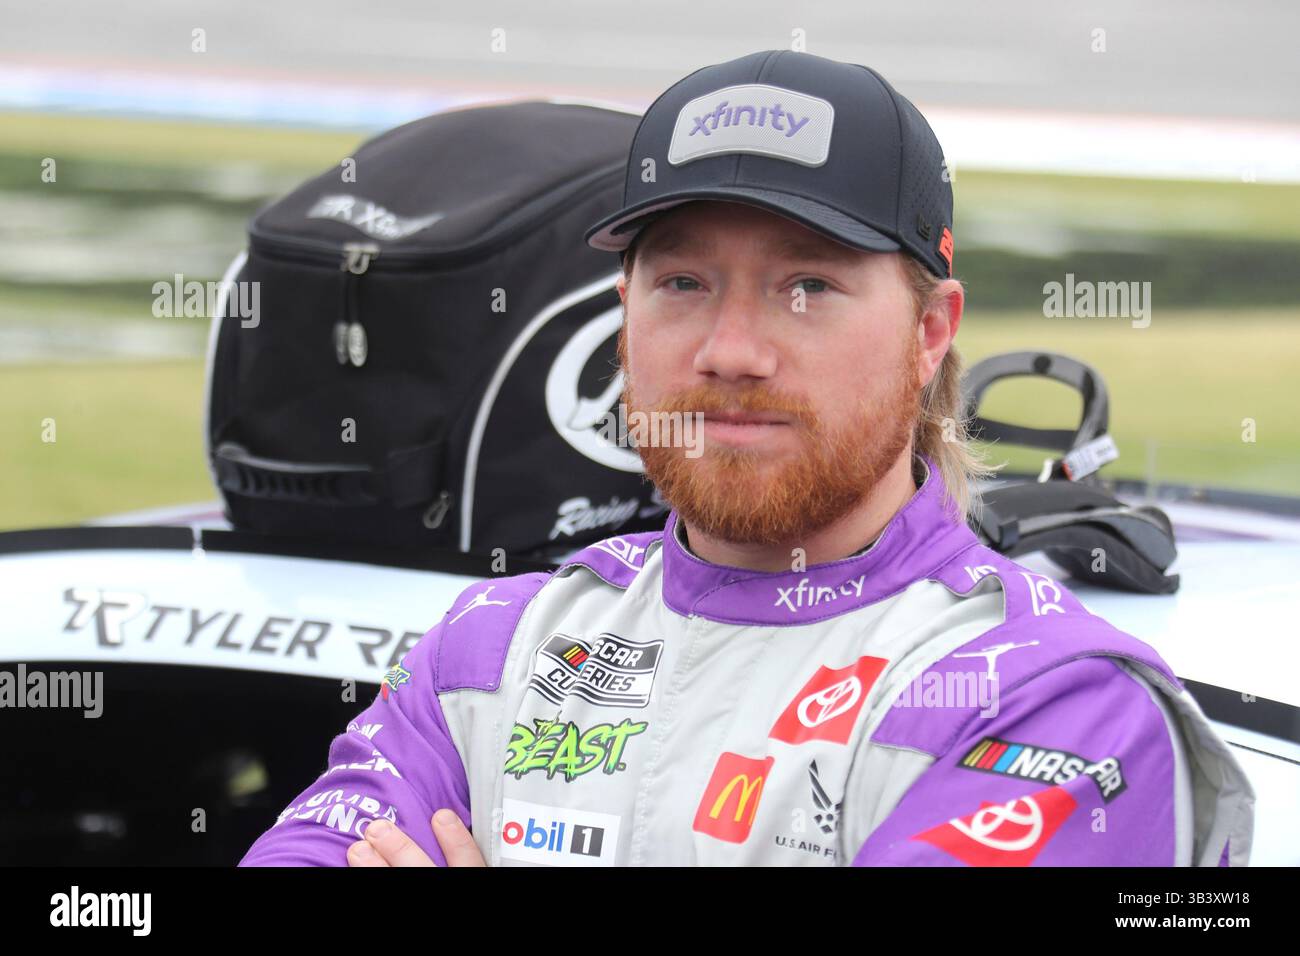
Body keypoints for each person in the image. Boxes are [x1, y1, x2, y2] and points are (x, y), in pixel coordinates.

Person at [239, 49, 1253, 867]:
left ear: (930, 329)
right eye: (682, 280)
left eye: (806, 285)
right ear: (622, 315)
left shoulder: (1050, 705)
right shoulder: (494, 646)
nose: (731, 350)